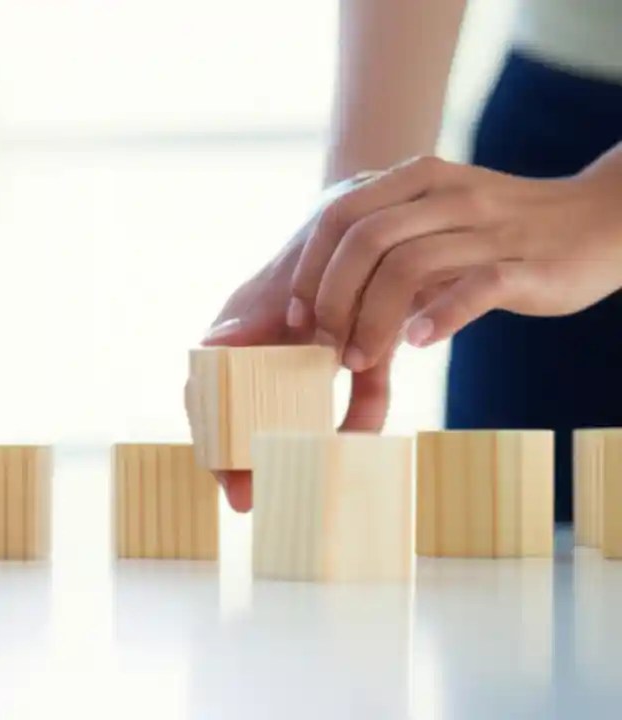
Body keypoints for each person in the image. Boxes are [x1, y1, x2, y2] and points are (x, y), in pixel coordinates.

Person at [200, 1, 622, 518]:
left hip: (590, 199)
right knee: (511, 570)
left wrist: (608, 204)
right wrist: (363, 217)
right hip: (562, 121)